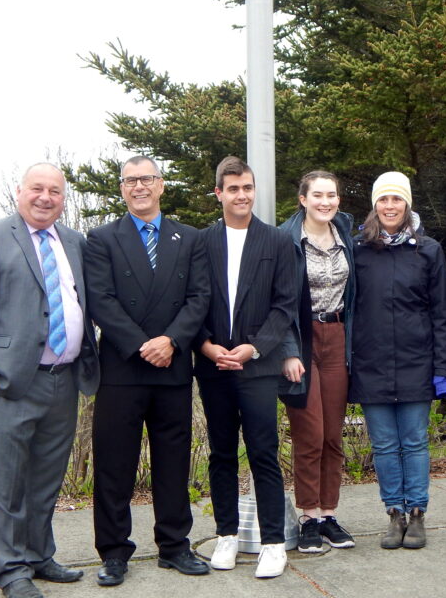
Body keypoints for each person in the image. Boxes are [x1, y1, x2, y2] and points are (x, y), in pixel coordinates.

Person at [0, 163, 99, 598]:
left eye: (55, 191)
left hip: (64, 379)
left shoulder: (74, 242)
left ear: (63, 199)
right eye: (37, 188)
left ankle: (38, 555)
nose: (45, 197)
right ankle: (10, 569)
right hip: (8, 381)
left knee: (44, 478)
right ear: (20, 192)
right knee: (4, 481)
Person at [85, 156, 210, 586]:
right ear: (122, 188)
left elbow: (199, 297)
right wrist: (142, 344)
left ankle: (174, 546)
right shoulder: (101, 238)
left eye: (147, 179)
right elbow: (100, 300)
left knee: (173, 463)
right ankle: (114, 552)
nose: (139, 187)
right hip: (122, 368)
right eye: (130, 180)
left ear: (161, 185)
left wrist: (171, 341)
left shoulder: (189, 238)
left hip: (172, 368)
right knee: (114, 465)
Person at [193, 156, 297, 577]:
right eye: (233, 188)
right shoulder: (201, 242)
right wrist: (206, 346)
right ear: (219, 193)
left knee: (263, 452)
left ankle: (273, 541)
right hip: (214, 365)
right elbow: (191, 301)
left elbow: (285, 304)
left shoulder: (276, 242)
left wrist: (255, 348)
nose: (242, 195)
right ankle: (226, 536)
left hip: (258, 366)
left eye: (248, 188)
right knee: (221, 453)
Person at [350, 171, 446, 550]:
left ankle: (417, 514)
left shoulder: (427, 250)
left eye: (396, 199)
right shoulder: (358, 250)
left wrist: (442, 369)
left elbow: (443, 315)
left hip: (416, 363)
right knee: (383, 445)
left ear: (407, 204)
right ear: (375, 205)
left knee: (413, 443)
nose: (390, 206)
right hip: (371, 365)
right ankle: (393, 513)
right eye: (383, 200)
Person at [280, 171, 356, 552]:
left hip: (338, 338)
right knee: (309, 434)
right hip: (302, 339)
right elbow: (278, 302)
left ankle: (328, 514)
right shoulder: (287, 239)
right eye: (318, 195)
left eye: (332, 195)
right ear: (303, 199)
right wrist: (288, 351)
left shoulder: (347, 238)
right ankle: (308, 515)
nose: (326, 202)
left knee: (332, 435)